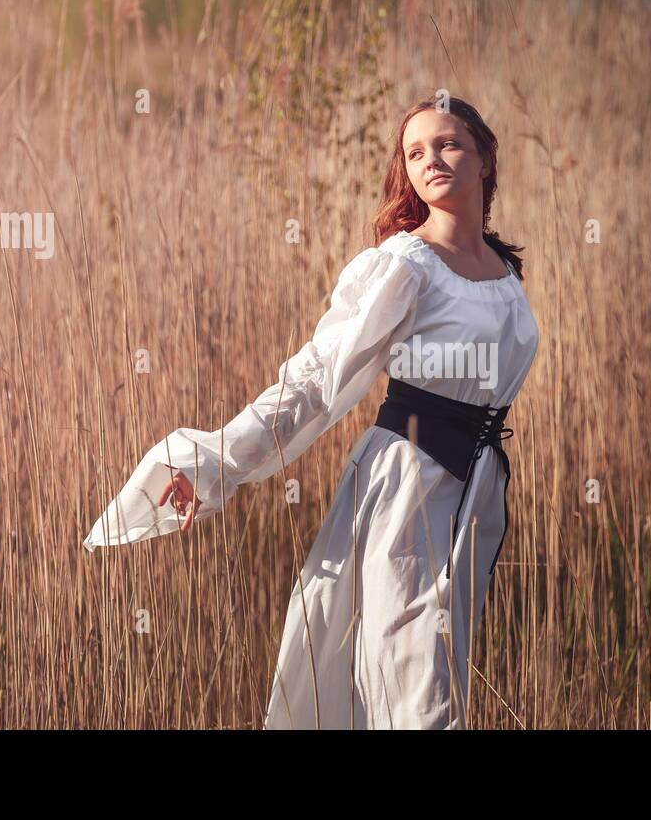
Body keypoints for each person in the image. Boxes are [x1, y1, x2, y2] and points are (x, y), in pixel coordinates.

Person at [82, 95, 540, 729]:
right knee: (418, 696)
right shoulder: (407, 265)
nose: (431, 159)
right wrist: (214, 462)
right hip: (407, 492)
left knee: (435, 683)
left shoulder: (503, 270)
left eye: (448, 143)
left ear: (486, 157)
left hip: (474, 497)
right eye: (414, 151)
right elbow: (316, 382)